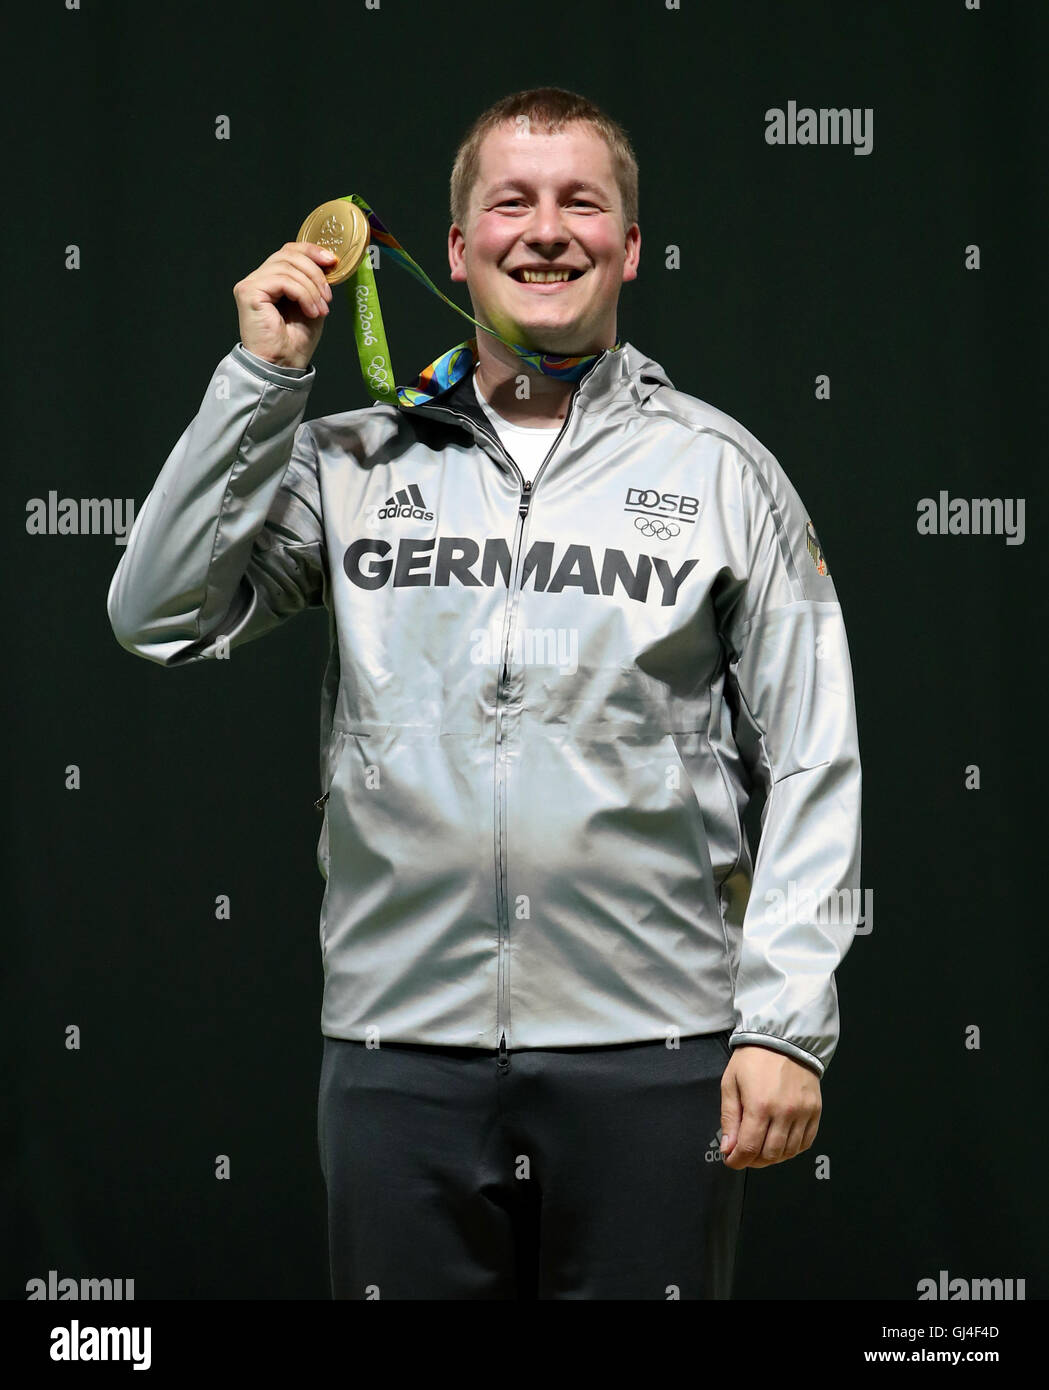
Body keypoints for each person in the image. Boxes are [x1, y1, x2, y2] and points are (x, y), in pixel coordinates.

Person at [107, 86, 862, 1300]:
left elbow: (815, 757)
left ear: (628, 247)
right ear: (456, 250)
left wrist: (782, 1024)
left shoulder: (724, 473)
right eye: (510, 202)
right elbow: (155, 613)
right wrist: (260, 379)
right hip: (397, 1051)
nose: (545, 229)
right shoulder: (350, 460)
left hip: (654, 1049)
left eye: (582, 203)